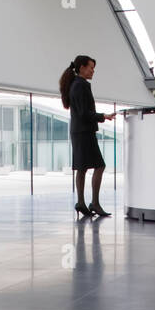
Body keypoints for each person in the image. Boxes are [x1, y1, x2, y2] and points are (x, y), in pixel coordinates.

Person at [59, 54, 115, 218]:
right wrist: (102, 116)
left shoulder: (75, 85)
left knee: (82, 168)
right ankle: (94, 203)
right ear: (82, 68)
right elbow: (85, 113)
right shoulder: (81, 85)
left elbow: (81, 112)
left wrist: (99, 117)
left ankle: (81, 202)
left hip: (78, 131)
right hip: (84, 132)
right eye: (91, 67)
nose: (93, 71)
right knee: (99, 166)